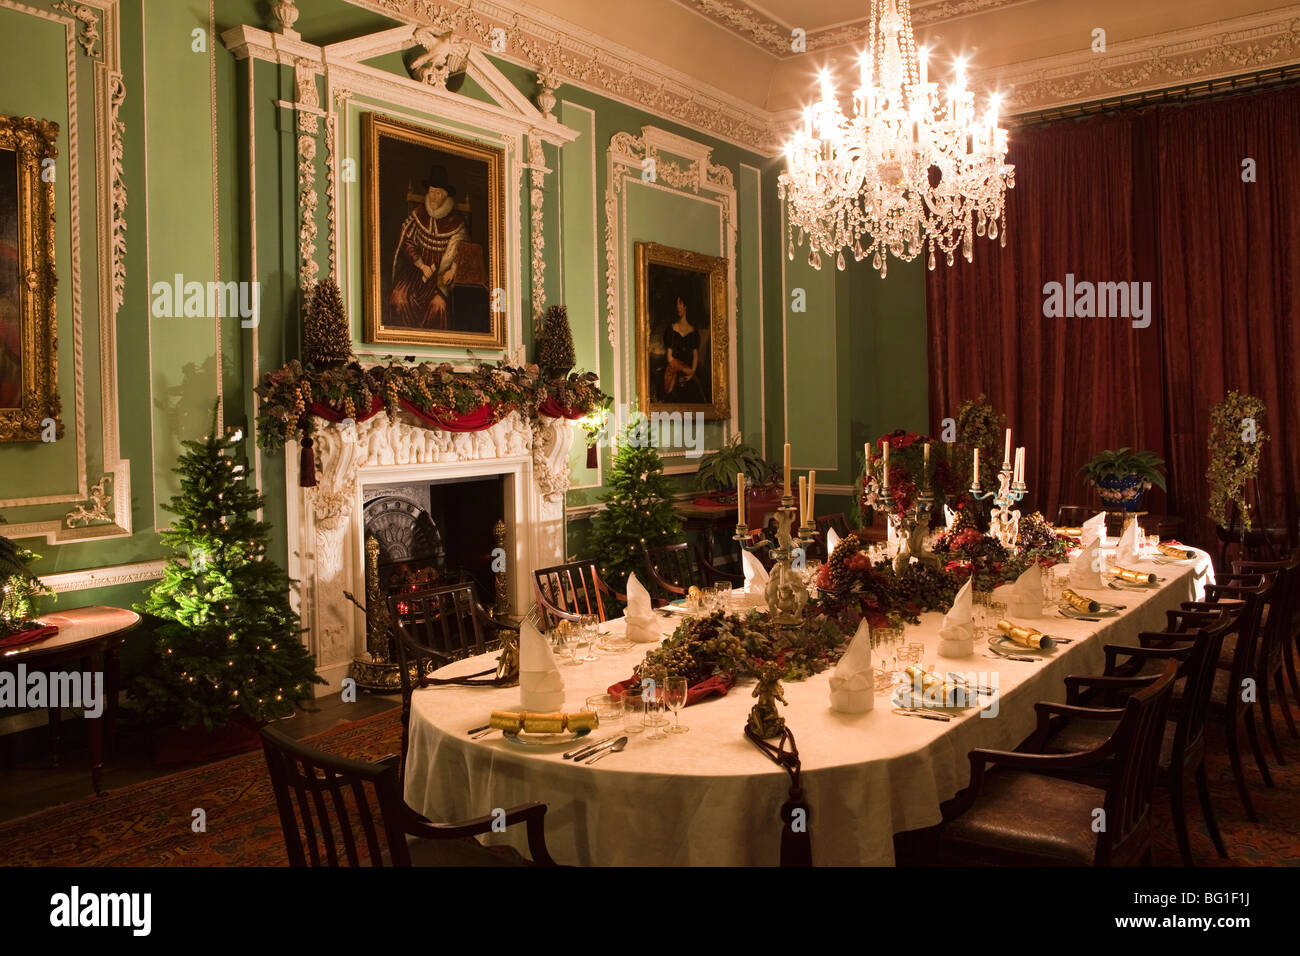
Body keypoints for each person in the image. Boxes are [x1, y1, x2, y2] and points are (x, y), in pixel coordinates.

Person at [388, 166, 467, 330]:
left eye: (438, 193)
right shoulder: (419, 213)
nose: (433, 196)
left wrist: (452, 271)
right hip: (416, 272)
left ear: (445, 196)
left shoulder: (455, 222)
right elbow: (407, 242)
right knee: (398, 297)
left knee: (438, 306)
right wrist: (421, 265)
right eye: (431, 192)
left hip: (439, 277)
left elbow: (464, 252)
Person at [661, 295, 707, 404]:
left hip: (689, 371)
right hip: (674, 369)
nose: (678, 307)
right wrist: (684, 370)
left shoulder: (693, 331)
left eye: (680, 303)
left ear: (686, 306)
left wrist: (692, 372)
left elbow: (695, 355)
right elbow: (669, 357)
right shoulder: (671, 330)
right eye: (676, 304)